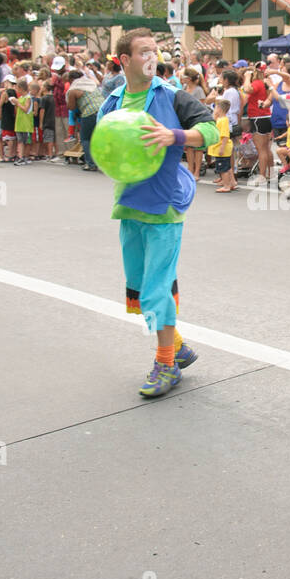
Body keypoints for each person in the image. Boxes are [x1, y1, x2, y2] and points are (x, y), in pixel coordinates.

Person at [96, 27, 218, 398]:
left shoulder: (173, 96)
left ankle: (166, 364)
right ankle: (177, 346)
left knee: (155, 289)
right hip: (129, 203)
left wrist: (175, 136)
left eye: (155, 50)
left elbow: (212, 131)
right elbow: (105, 147)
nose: (152, 57)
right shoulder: (112, 102)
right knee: (139, 289)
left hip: (165, 205)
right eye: (144, 51)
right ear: (124, 60)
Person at [209, 97, 235, 191]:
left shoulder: (223, 120)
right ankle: (231, 182)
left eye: (215, 108)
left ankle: (226, 185)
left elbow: (224, 136)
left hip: (222, 147)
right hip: (220, 146)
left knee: (222, 167)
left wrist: (222, 148)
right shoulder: (221, 119)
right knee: (227, 167)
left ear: (219, 108)